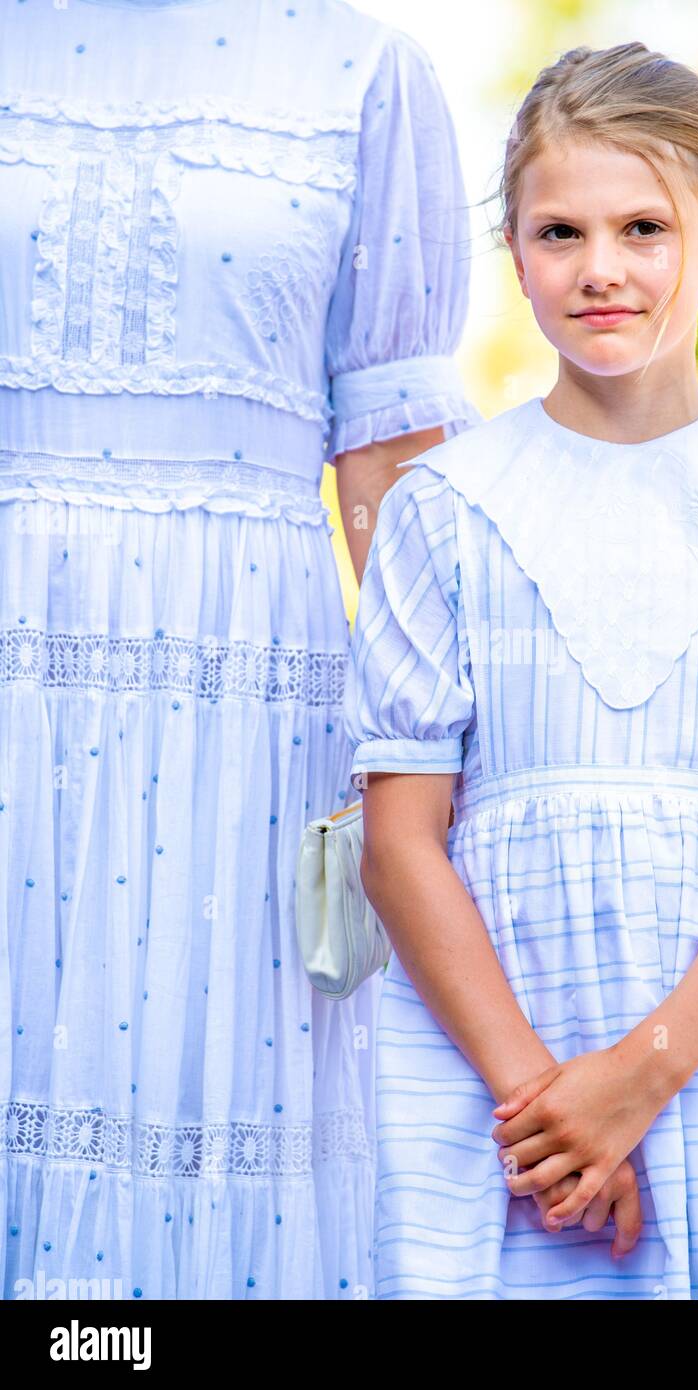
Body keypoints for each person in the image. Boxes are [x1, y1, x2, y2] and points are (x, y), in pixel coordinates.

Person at [342, 42, 698, 1299]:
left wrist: (641, 1074)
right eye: (558, 232)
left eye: (643, 227)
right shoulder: (445, 507)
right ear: (516, 253)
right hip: (489, 1064)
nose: (600, 268)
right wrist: (546, 1109)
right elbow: (399, 844)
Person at [0, 0, 478, 1299]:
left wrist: (432, 741)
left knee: (198, 1071)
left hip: (240, 697)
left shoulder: (362, 68)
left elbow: (384, 446)